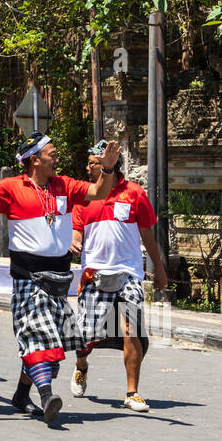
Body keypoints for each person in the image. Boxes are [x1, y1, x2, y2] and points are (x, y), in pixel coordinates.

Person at [0, 133, 121, 424]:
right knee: (39, 338)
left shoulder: (65, 185)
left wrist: (108, 168)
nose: (56, 156)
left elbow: (98, 192)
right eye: (52, 152)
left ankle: (22, 394)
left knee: (49, 341)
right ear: (35, 160)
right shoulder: (10, 187)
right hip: (29, 278)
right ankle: (47, 396)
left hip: (59, 279)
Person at [69, 142, 167, 413]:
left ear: (109, 163)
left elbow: (148, 235)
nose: (88, 166)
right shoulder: (84, 196)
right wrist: (73, 242)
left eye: (93, 162)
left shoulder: (134, 193)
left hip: (129, 274)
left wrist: (159, 271)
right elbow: (77, 232)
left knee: (131, 330)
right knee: (85, 336)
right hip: (94, 275)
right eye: (88, 162)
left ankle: (132, 392)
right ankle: (81, 366)